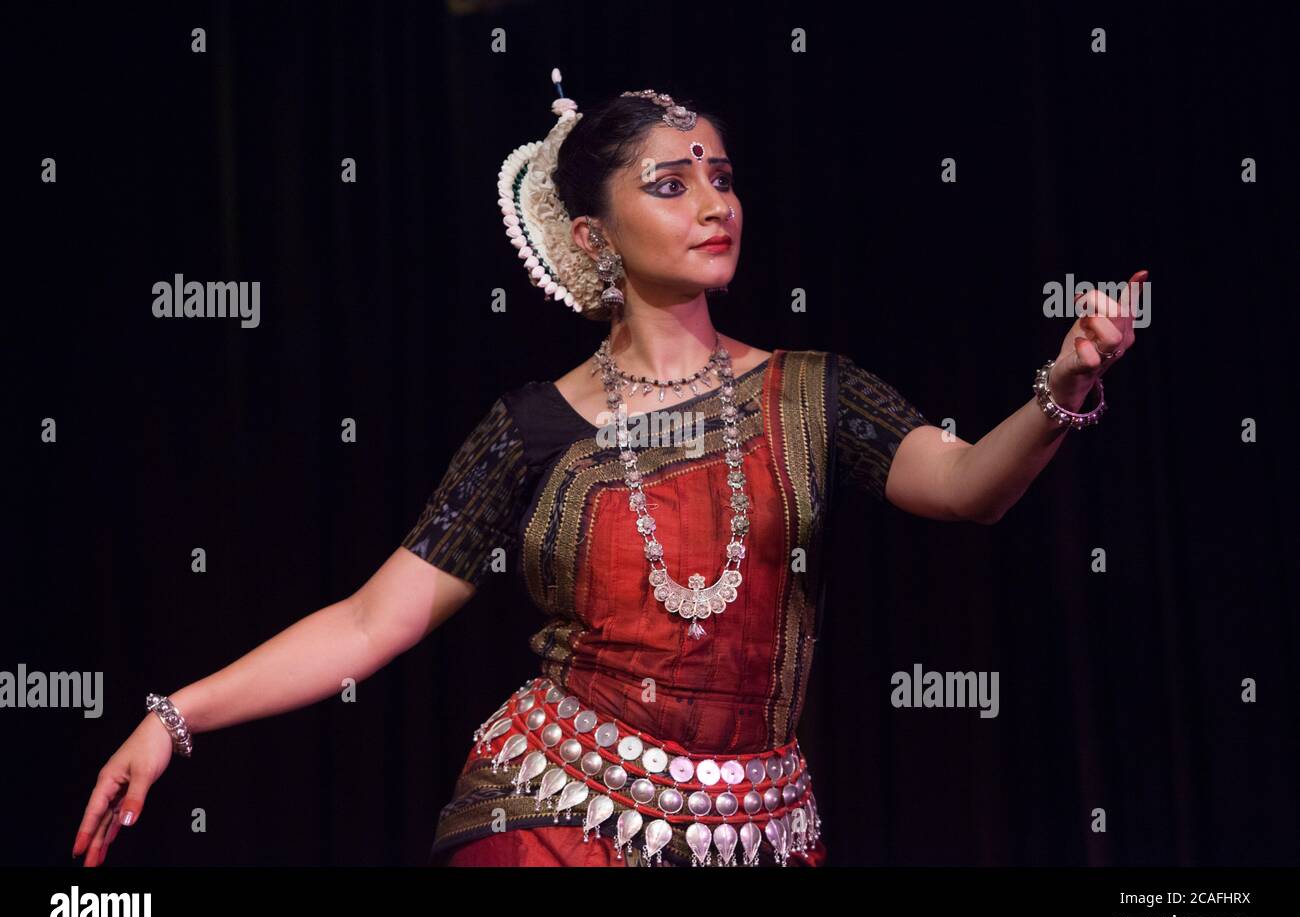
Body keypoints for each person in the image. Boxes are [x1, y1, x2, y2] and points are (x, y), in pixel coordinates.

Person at [72, 71, 1142, 868]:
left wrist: (1066, 384)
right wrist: (176, 717)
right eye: (671, 185)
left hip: (762, 834)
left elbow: (966, 487)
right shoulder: (531, 430)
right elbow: (367, 623)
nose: (713, 203)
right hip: (551, 822)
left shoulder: (815, 391)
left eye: (720, 178)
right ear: (594, 236)